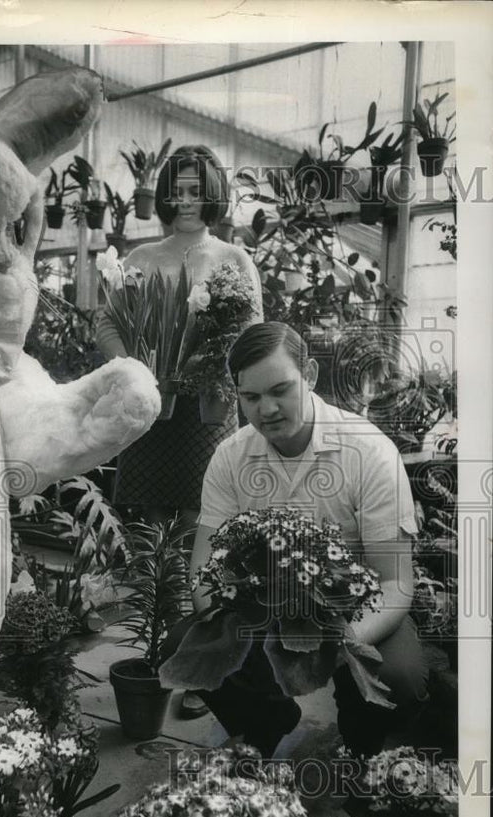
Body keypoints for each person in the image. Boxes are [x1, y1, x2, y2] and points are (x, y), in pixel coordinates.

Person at [175, 321, 429, 756]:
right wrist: (242, 633)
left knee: (401, 676)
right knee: (185, 644)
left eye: (281, 389)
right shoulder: (230, 457)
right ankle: (264, 724)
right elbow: (203, 572)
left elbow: (394, 584)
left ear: (309, 375)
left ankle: (360, 748)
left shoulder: (368, 452)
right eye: (251, 397)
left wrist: (340, 640)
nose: (266, 409)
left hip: (357, 604)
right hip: (265, 604)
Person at [95, 144, 263, 718]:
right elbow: (106, 322)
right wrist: (137, 371)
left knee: (206, 534)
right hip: (154, 410)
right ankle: (154, 657)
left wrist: (217, 365)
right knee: (150, 534)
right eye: (178, 190)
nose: (187, 201)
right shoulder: (142, 256)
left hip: (208, 414)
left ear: (212, 193)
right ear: (165, 195)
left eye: (197, 190)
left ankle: (199, 670)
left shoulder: (235, 259)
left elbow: (254, 335)